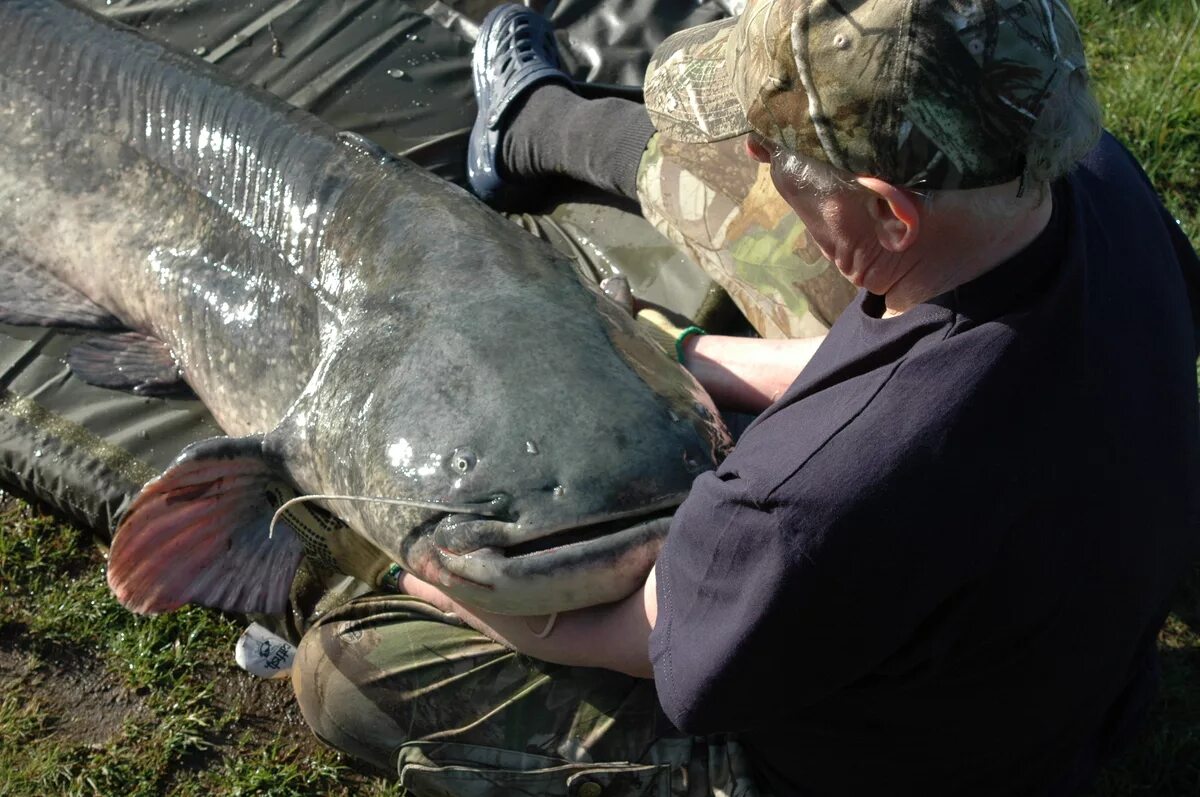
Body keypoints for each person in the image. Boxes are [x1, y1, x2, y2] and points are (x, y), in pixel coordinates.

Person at [292, 1, 1200, 795]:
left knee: (343, 670)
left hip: (906, 766)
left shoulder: (797, 501)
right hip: (1055, 674)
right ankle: (536, 126)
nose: (757, 165)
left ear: (891, 213)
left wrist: (430, 571)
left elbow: (623, 633)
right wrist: (679, 346)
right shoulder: (1090, 185)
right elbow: (890, 358)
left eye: (778, 156)